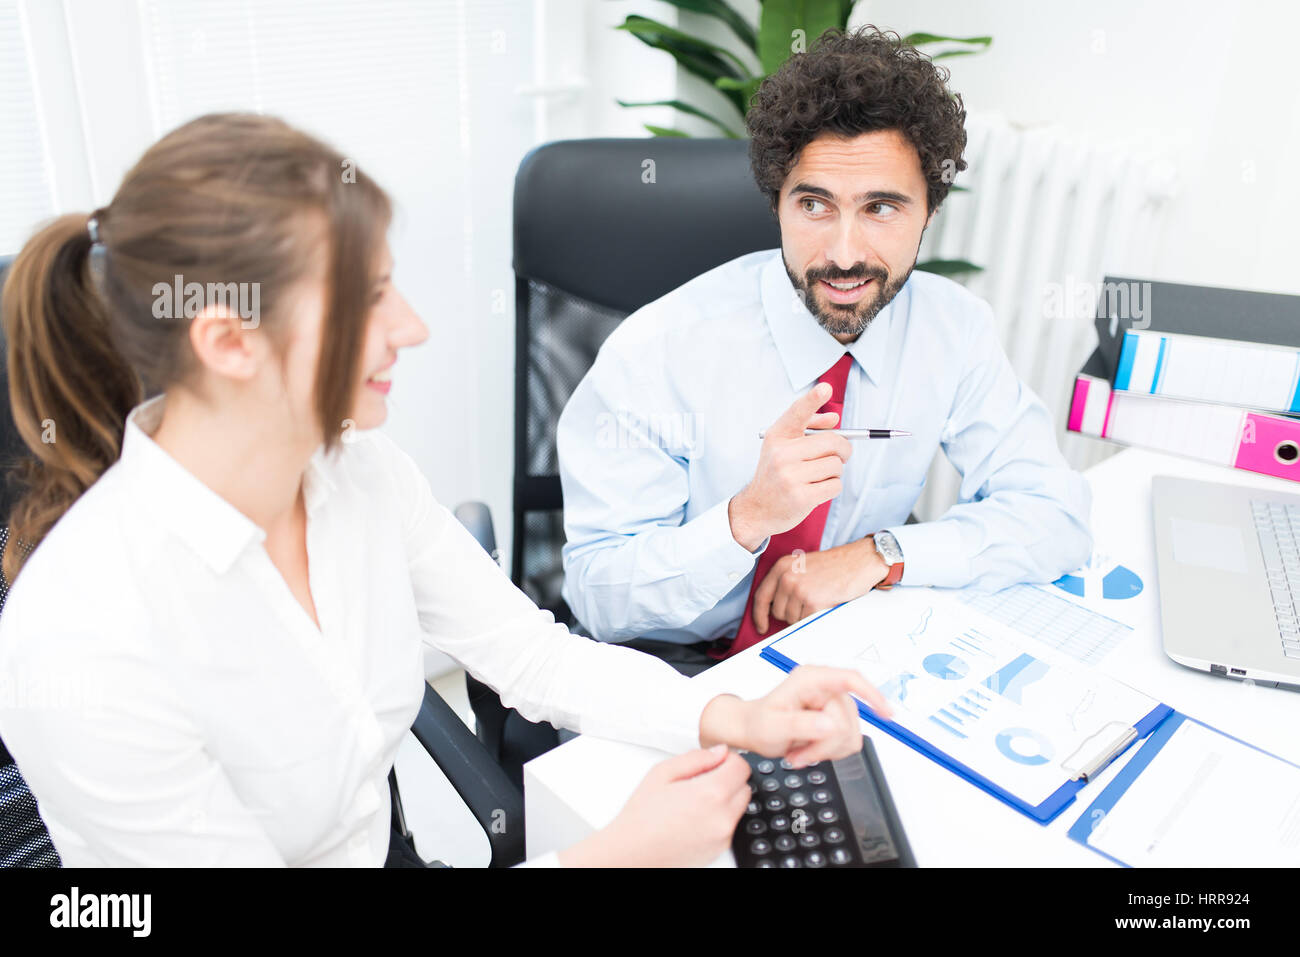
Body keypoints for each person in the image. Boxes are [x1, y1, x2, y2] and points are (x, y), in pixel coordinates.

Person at [0, 113, 889, 868]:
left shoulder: (356, 470)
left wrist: (735, 712)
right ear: (230, 342)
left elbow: (531, 657)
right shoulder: (83, 641)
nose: (412, 328)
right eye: (369, 297)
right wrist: (608, 856)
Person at [558, 27, 1094, 675]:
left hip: (843, 638)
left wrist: (878, 553)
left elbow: (1055, 515)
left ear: (928, 212)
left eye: (882, 208)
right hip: (671, 663)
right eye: (814, 204)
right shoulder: (657, 351)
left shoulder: (953, 331)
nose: (844, 254)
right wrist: (747, 516)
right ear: (776, 203)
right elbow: (597, 594)